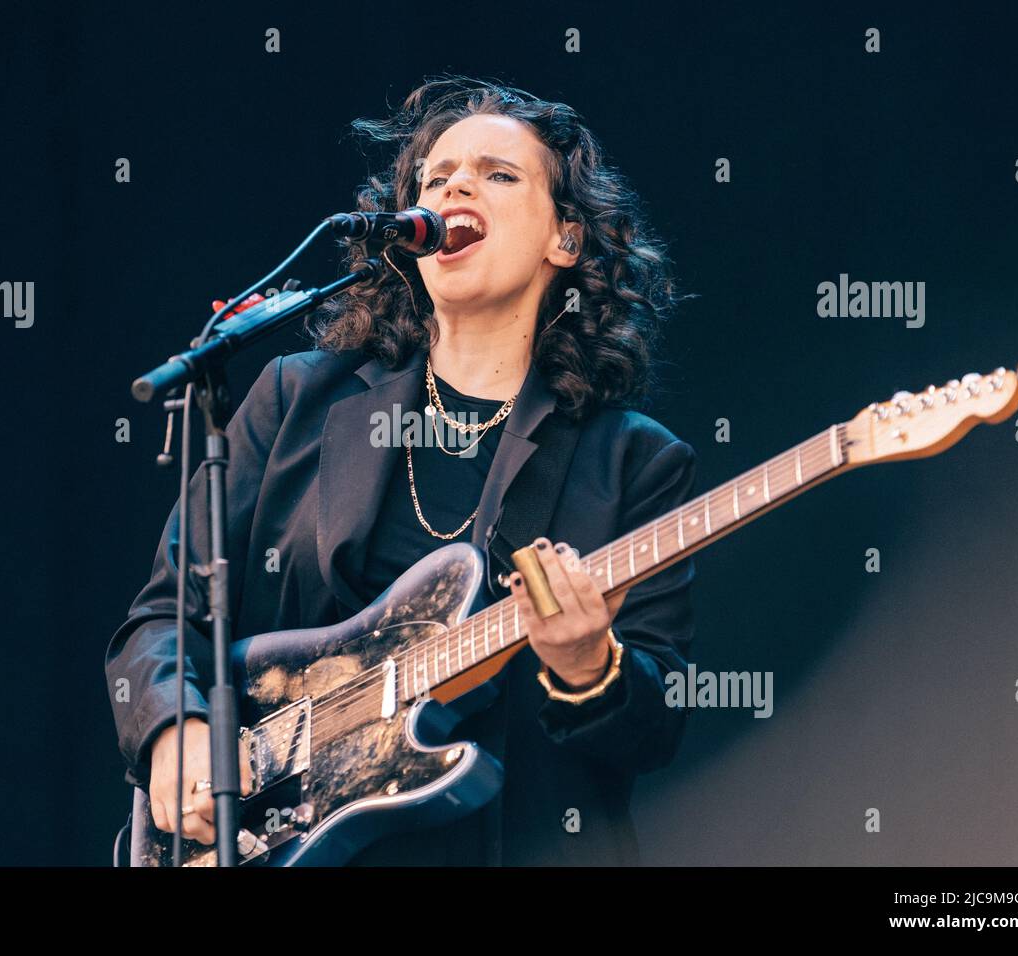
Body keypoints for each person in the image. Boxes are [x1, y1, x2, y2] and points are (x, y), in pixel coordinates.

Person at [106, 75, 698, 866]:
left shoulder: (633, 460)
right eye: (435, 176)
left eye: (497, 173)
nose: (454, 183)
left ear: (566, 239)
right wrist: (175, 730)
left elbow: (655, 728)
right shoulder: (296, 398)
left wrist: (591, 667)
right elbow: (163, 618)